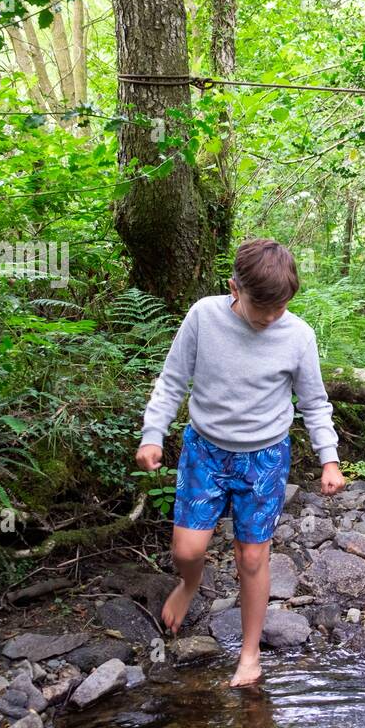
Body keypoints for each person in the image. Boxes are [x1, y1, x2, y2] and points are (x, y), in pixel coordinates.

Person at [136, 238, 346, 686]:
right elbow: (172, 381)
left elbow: (314, 402)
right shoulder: (203, 317)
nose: (271, 318)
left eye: (281, 308)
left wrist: (329, 459)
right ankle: (190, 584)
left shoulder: (298, 335)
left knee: (252, 557)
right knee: (186, 550)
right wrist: (153, 435)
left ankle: (250, 655)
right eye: (261, 309)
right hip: (205, 451)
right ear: (234, 288)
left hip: (265, 458)